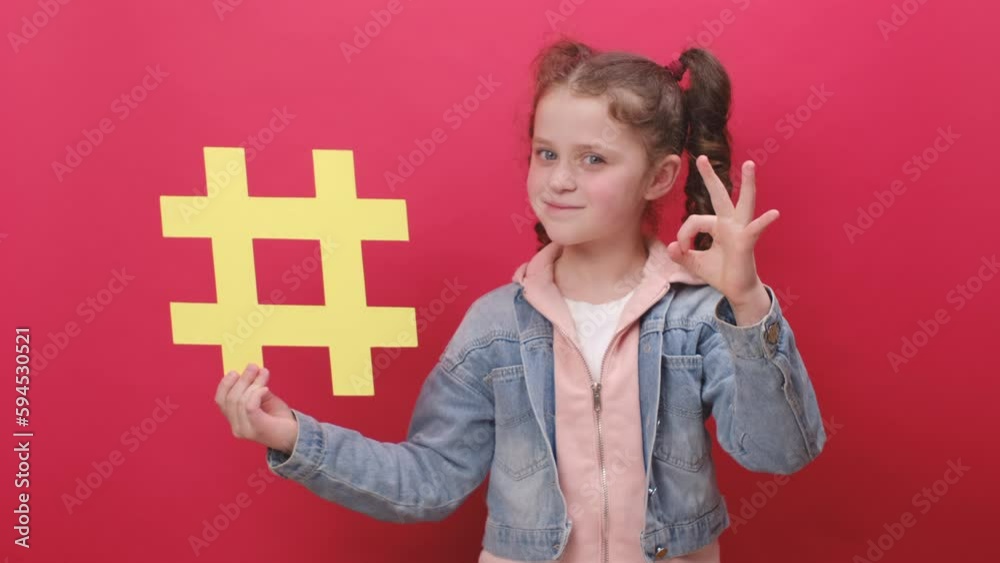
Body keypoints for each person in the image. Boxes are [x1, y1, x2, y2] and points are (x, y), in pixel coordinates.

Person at [215, 38, 827, 563]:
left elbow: (779, 452)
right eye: (547, 153)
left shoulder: (698, 315)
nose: (560, 179)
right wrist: (295, 437)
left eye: (594, 159)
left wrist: (746, 301)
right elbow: (429, 481)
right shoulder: (495, 326)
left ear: (660, 177)